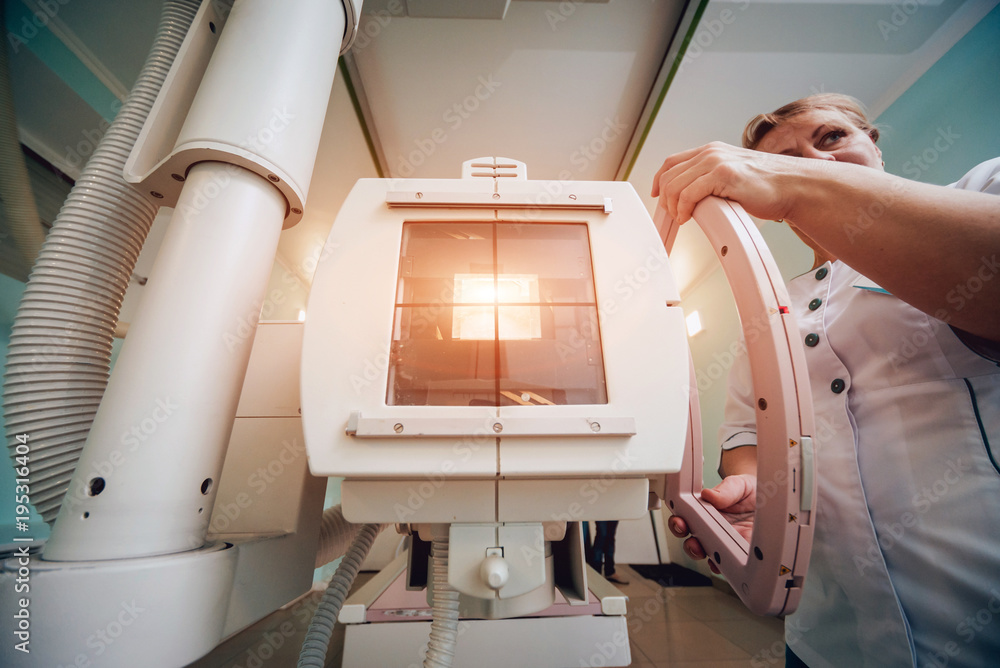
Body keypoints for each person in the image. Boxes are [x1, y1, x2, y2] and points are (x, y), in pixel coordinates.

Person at [651, 94, 1000, 668]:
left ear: (873, 143)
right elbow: (745, 440)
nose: (814, 159)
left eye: (831, 137)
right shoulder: (769, 306)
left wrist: (792, 178)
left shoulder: (975, 195)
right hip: (828, 638)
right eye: (786, 155)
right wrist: (754, 496)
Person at [589, 520, 628, 585]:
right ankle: (596, 573)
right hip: (601, 511)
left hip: (614, 511)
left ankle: (610, 572)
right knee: (601, 536)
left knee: (610, 537)